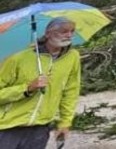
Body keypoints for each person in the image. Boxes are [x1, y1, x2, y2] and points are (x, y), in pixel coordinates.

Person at [0, 17, 81, 149]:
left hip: (40, 129)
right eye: (64, 31)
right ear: (48, 33)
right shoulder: (18, 58)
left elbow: (71, 91)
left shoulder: (72, 57)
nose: (69, 35)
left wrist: (65, 122)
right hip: (8, 127)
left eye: (72, 31)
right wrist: (26, 89)